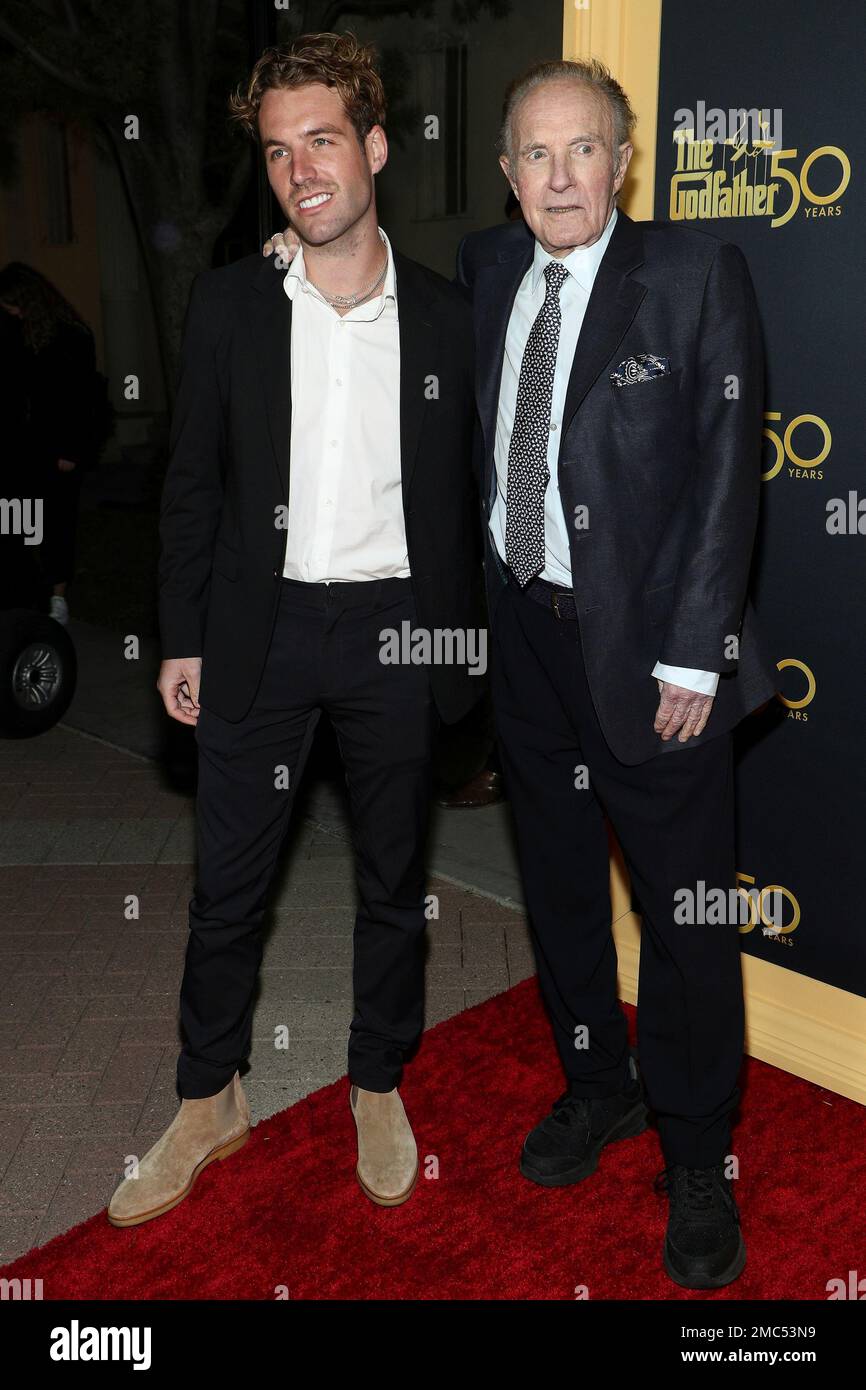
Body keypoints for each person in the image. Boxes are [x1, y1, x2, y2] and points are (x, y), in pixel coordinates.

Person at [106, 32, 481, 1227]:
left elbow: (475, 495)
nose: (301, 170)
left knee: (390, 882)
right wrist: (180, 635)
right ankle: (208, 1096)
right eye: (277, 152)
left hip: (394, 632)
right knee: (225, 888)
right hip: (256, 631)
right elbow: (194, 487)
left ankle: (376, 1081)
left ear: (374, 147)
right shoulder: (229, 305)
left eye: (323, 140)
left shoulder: (445, 317)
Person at [456, 59, 778, 1290]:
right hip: (524, 633)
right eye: (532, 155)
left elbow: (723, 472)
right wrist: (289, 258)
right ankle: (599, 1080)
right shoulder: (489, 274)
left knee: (686, 909)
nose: (556, 177)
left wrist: (695, 649)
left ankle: (697, 1150)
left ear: (621, 160)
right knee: (557, 881)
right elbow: (375, 304)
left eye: (579, 149)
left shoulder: (694, 275)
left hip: (652, 649)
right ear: (504, 175)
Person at [0, 262, 100, 625]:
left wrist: (72, 450)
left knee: (57, 526)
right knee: (20, 523)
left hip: (56, 453)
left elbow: (83, 399)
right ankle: (23, 594)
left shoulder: (70, 336)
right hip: (19, 452)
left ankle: (57, 598)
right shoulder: (15, 334)